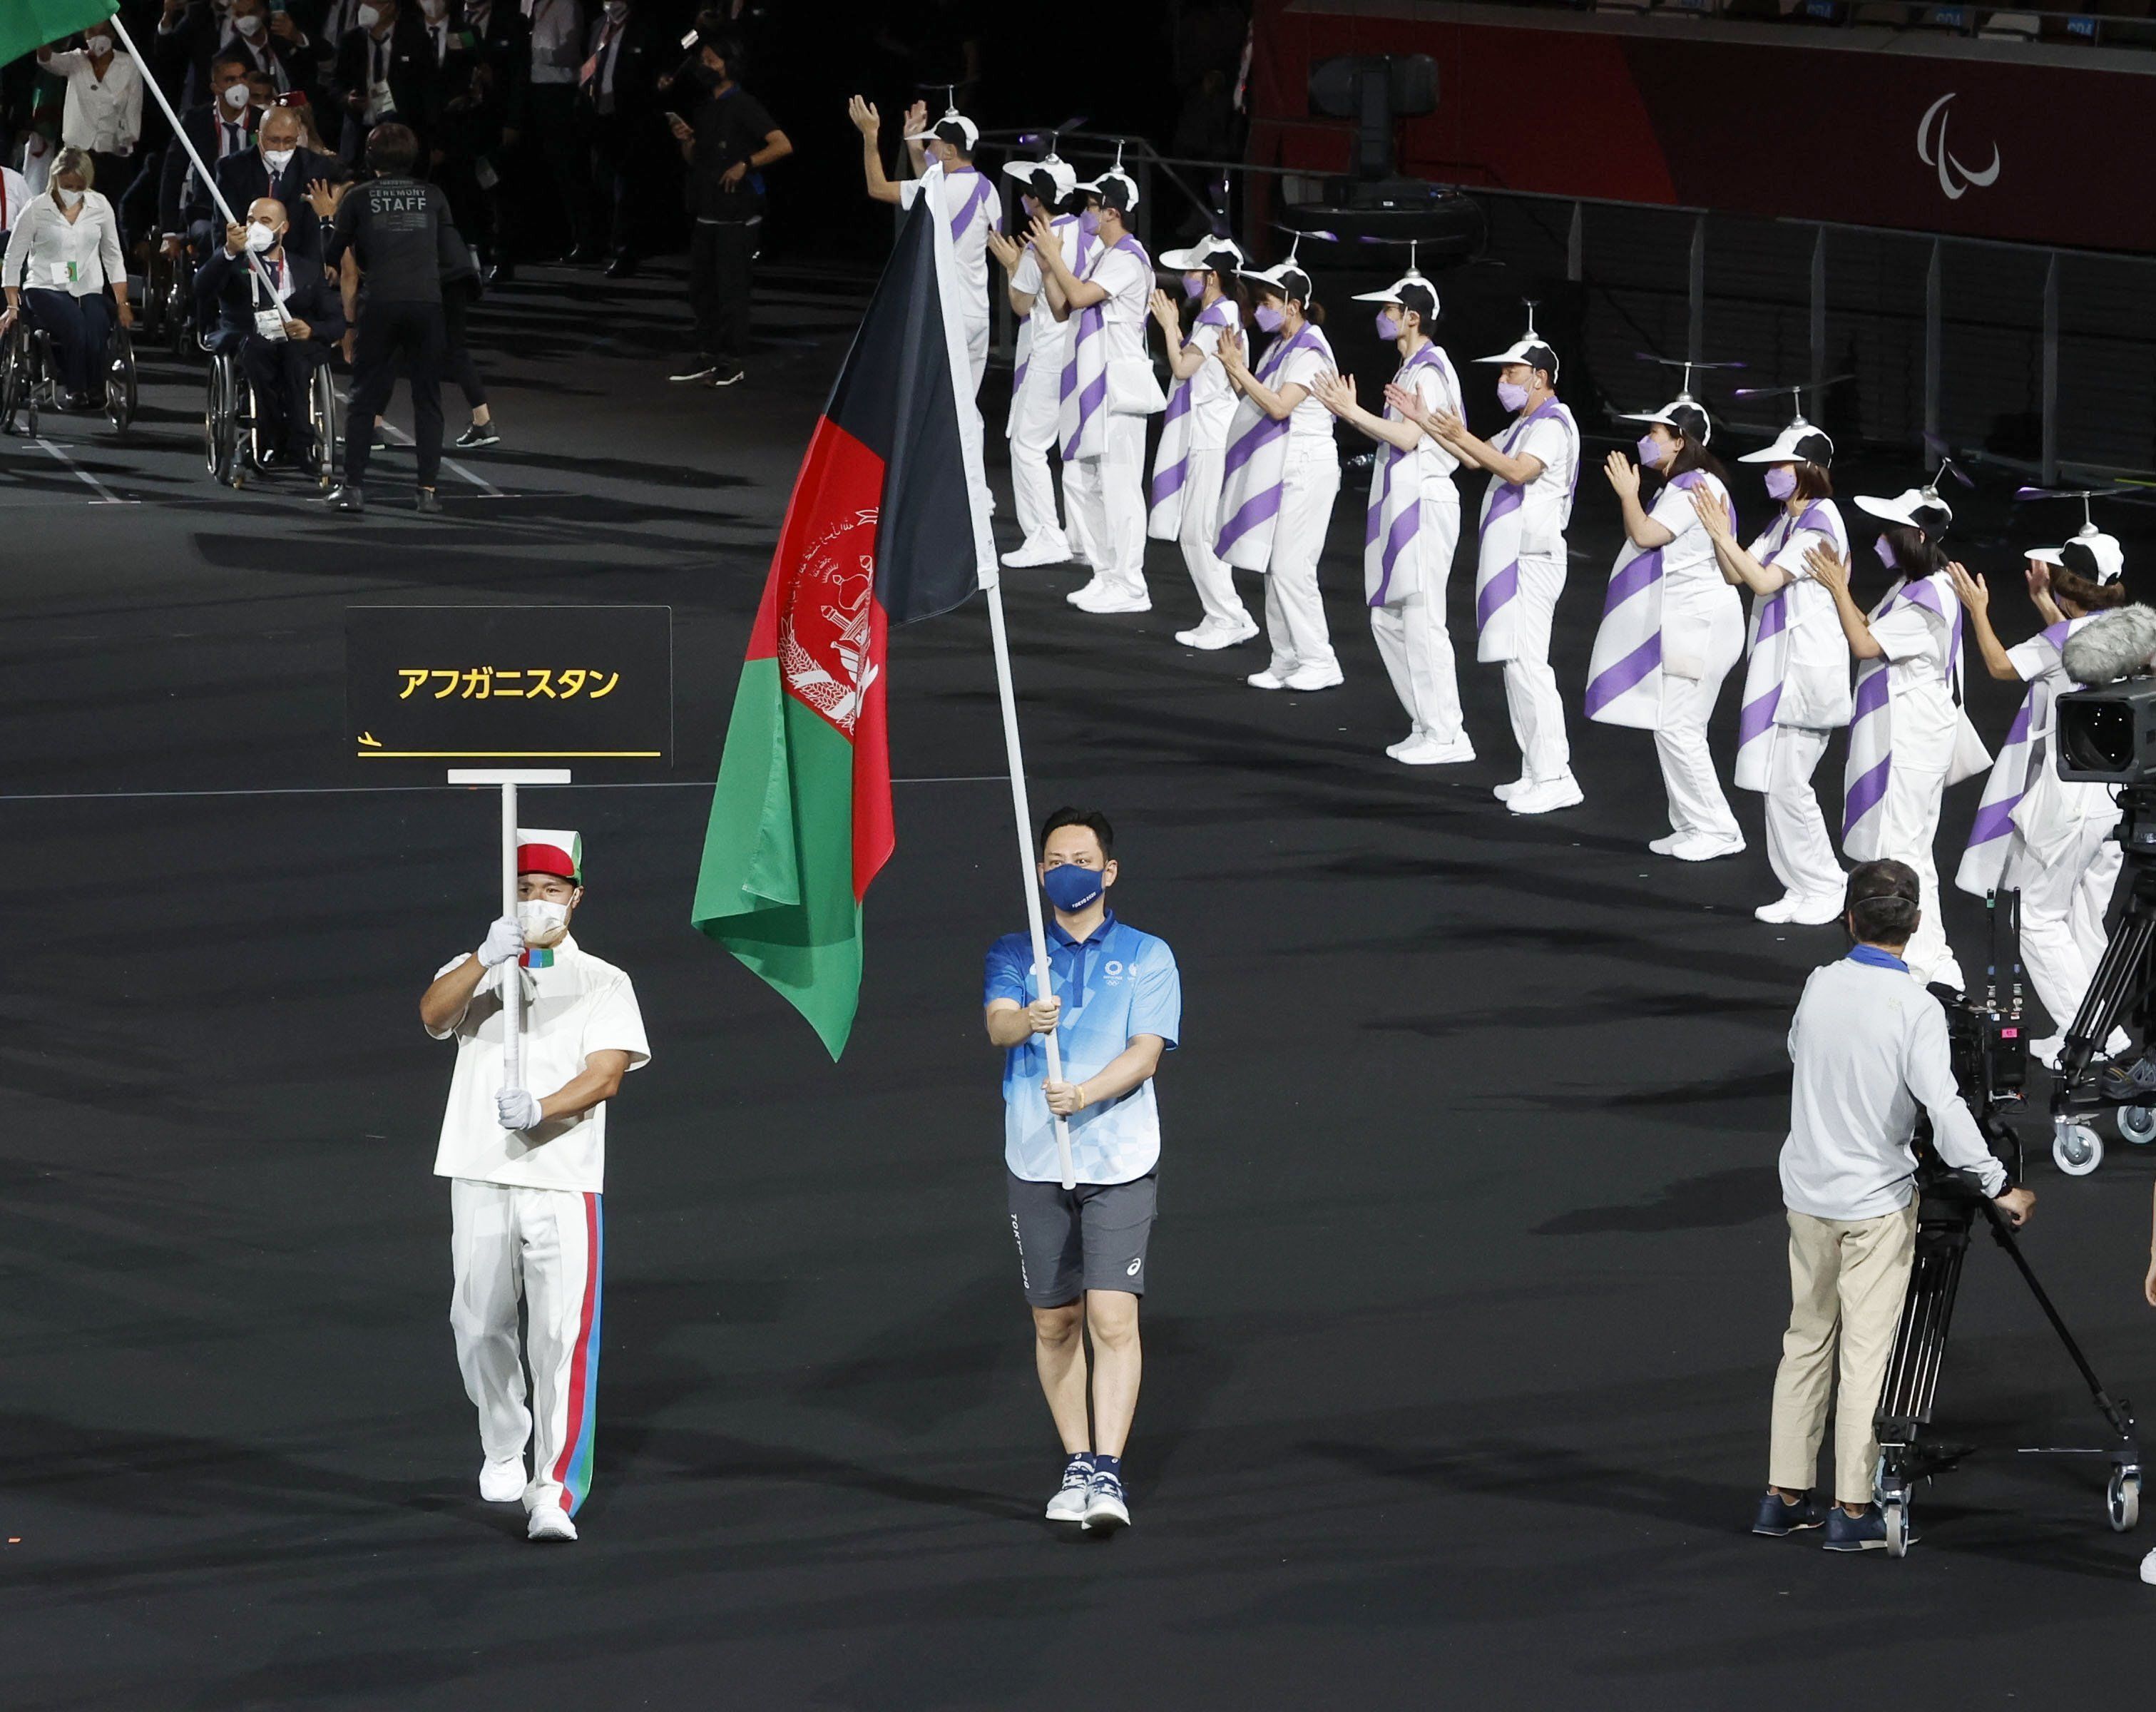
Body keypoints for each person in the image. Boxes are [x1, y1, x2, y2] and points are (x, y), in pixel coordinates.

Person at [1756, 859, 2033, 1551]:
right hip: (1873, 1204)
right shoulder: (1912, 1005)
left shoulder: (1818, 984)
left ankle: (1782, 1497)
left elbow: (1799, 1051)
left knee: (1805, 1342)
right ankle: (1852, 1511)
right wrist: (1997, 1184)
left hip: (1806, 1193)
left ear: (1848, 918)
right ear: (1913, 925)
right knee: (1863, 1353)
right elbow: (1941, 1107)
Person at [419, 827, 650, 1545]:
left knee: (560, 1334)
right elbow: (432, 1014)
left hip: (561, 1177)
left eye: (551, 891)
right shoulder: (474, 966)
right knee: (478, 1323)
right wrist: (485, 960)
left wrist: (542, 1108)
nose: (538, 902)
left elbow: (607, 1074)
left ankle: (555, 1489)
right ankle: (501, 1441)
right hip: (480, 1168)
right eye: (524, 890)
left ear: (575, 898)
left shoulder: (605, 981)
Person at [983, 807, 1180, 1534]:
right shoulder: (1014, 952)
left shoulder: (1148, 955)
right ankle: (1074, 1464)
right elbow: (996, 1023)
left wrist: (1085, 1094)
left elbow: (1147, 1052)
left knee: (1109, 1315)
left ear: (1107, 871)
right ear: (1039, 872)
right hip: (1035, 1158)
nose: (1066, 869)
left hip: (1119, 1156)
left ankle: (1108, 1472)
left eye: (1080, 857)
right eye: (1053, 859)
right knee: (1054, 1321)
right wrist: (1027, 1020)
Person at [1952, 529, 2129, 1063]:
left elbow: (2003, 666)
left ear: (2069, 589)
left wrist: (1977, 610)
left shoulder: (2062, 639)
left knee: (2035, 919)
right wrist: (2042, 602)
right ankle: (2106, 1034)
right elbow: (2074, 651)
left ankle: (2086, 1043)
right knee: (2081, 920)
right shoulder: (2124, 631)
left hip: (2068, 801)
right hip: (2116, 798)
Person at [1400, 322, 1581, 812]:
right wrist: (1434, 424)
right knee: (1515, 665)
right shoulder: (1524, 424)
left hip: (1534, 559)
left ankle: (1555, 775)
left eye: (1511, 370)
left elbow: (1518, 470)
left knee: (1528, 665)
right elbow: (1476, 458)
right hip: (1514, 559)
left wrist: (1457, 433)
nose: (1503, 378)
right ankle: (1535, 770)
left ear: (1540, 377)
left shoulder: (1550, 424)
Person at [1807, 479, 1980, 992]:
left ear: (1914, 536)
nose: (1879, 539)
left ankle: (1920, 966)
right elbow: (1872, 628)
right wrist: (1842, 594)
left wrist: (1837, 589)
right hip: (1912, 732)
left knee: (1899, 852)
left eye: (1888, 531)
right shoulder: (1913, 585)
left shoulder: (1928, 596)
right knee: (1912, 850)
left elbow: (1862, 644)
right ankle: (1934, 963)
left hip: (1910, 738)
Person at [1692, 413, 1852, 923]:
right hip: (1777, 669)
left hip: (1806, 670)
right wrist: (1720, 534)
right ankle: (1798, 884)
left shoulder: (1822, 524)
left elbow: (1763, 582)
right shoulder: (1786, 521)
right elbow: (1732, 572)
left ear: (1806, 469)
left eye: (1779, 465)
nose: (1769, 474)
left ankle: (1826, 883)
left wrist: (1724, 536)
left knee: (1790, 783)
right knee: (1773, 782)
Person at [1312, 263, 1472, 763]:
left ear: (1412, 317)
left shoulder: (1431, 370)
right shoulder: (1411, 369)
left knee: (1422, 619)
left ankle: (1447, 733)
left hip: (1424, 502)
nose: (1380, 317)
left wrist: (1349, 412)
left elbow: (1410, 437)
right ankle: (1426, 723)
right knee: (1387, 617)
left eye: (1387, 309)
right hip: (1400, 501)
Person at [1590, 392, 1744, 860]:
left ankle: (1719, 830)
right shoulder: (1688, 485)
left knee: (1678, 727)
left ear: (1679, 440)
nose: (1645, 440)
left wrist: (1626, 495)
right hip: (1690, 619)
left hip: (1699, 623)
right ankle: (1692, 822)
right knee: (1671, 725)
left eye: (1653, 433)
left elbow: (1644, 535)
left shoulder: (1693, 487)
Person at [1025, 166, 1157, 617]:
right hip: (1090, 386)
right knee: (1085, 481)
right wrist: (1047, 268)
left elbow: (1079, 297)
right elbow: (1063, 309)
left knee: (1120, 486)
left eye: (1093, 207)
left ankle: (1130, 582)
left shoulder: (1128, 257)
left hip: (1117, 390)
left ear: (1113, 213)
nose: (1085, 213)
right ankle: (1106, 574)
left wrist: (1056, 259)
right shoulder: (1103, 257)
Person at [1215, 250, 1342, 690]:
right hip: (1284, 463)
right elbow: (1253, 399)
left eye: (1269, 303)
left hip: (1308, 464)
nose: (1261, 310)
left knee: (1293, 567)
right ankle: (1286, 658)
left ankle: (1320, 658)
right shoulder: (1280, 346)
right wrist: (1235, 369)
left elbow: (1280, 405)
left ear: (1293, 306)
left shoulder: (1311, 350)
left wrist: (1238, 370)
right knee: (1276, 565)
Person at [322, 121, 456, 513]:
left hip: (380, 304)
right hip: (427, 305)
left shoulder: (359, 197)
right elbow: (450, 253)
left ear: (370, 156)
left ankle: (353, 488)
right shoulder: (433, 195)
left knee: (364, 397)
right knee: (427, 399)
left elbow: (333, 255)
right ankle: (428, 492)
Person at [1145, 236, 1257, 648]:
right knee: (1197, 531)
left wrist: (1170, 326)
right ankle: (1228, 613)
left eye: (1192, 272)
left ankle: (1227, 616)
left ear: (1211, 277)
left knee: (1197, 532)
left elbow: (1180, 367)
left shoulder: (1216, 320)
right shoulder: (1218, 314)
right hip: (1209, 432)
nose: (1185, 279)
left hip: (1212, 435)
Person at [664, 21, 790, 387]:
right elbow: (695, 160)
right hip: (707, 211)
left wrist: (745, 163)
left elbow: (782, 144)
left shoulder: (744, 104)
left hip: (738, 215)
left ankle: (733, 360)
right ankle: (707, 354)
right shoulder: (704, 108)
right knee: (702, 291)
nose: (705, 67)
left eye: (712, 60)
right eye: (703, 61)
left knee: (732, 292)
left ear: (729, 64)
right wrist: (685, 140)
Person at [849, 96, 996, 394]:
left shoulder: (942, 189)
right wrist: (914, 146)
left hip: (948, 311)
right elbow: (935, 203)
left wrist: (870, 136)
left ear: (951, 150)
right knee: (965, 406)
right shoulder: (987, 188)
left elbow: (877, 187)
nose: (930, 149)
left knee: (932, 400)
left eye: (934, 144)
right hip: (977, 311)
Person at [195, 194, 345, 469]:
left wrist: (311, 329)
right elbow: (201, 289)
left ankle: (301, 444)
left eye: (265, 221)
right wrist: (228, 251)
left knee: (295, 355)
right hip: (248, 339)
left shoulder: (307, 270)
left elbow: (336, 321)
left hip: (295, 343)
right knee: (259, 350)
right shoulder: (233, 263)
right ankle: (269, 441)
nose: (256, 227)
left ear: (283, 228)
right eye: (251, 220)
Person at [988, 148, 1083, 569]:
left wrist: (1012, 265)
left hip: (1049, 350)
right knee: (1074, 450)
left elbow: (1023, 304)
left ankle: (1046, 535)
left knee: (1027, 444)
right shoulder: (1087, 233)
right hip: (1082, 351)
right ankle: (1081, 538)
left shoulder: (1037, 247)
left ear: (1035, 200)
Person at [1, 149, 131, 411]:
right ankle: (76, 389)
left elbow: (113, 257)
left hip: (87, 286)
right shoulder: (36, 209)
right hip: (44, 287)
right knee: (75, 323)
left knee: (97, 322)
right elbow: (14, 258)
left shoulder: (100, 206)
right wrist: (12, 306)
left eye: (78, 186)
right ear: (55, 180)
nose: (72, 191)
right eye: (66, 186)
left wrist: (123, 302)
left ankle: (96, 388)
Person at [577, 0, 663, 277]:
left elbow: (657, 68)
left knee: (626, 187)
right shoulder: (598, 25)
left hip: (630, 117)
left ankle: (626, 251)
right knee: (601, 181)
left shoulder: (644, 28)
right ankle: (599, 243)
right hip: (599, 114)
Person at [36, 29, 144, 238]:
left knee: (107, 221)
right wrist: (42, 36)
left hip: (112, 155)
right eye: (91, 30)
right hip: (76, 156)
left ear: (113, 34)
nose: (96, 36)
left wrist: (129, 139)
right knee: (70, 219)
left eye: (102, 30)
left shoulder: (129, 64)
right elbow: (48, 61)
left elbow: (134, 107)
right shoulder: (76, 60)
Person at [208, 103, 339, 267]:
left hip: (297, 265)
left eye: (289, 141)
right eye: (274, 140)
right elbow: (224, 228)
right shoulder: (232, 169)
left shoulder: (315, 167)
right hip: (246, 264)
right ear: (258, 136)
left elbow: (311, 232)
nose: (281, 148)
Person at [160, 54, 257, 261]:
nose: (239, 85)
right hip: (206, 213)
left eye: (242, 78)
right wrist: (169, 232)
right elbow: (172, 175)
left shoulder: (261, 121)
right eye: (230, 80)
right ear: (215, 88)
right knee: (211, 238)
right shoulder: (195, 122)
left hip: (253, 215)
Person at [521, 0, 592, 263]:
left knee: (567, 168)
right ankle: (545, 238)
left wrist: (531, 52)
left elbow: (571, 54)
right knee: (539, 169)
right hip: (531, 88)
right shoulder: (527, 3)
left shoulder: (567, 4)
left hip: (558, 90)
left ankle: (582, 238)